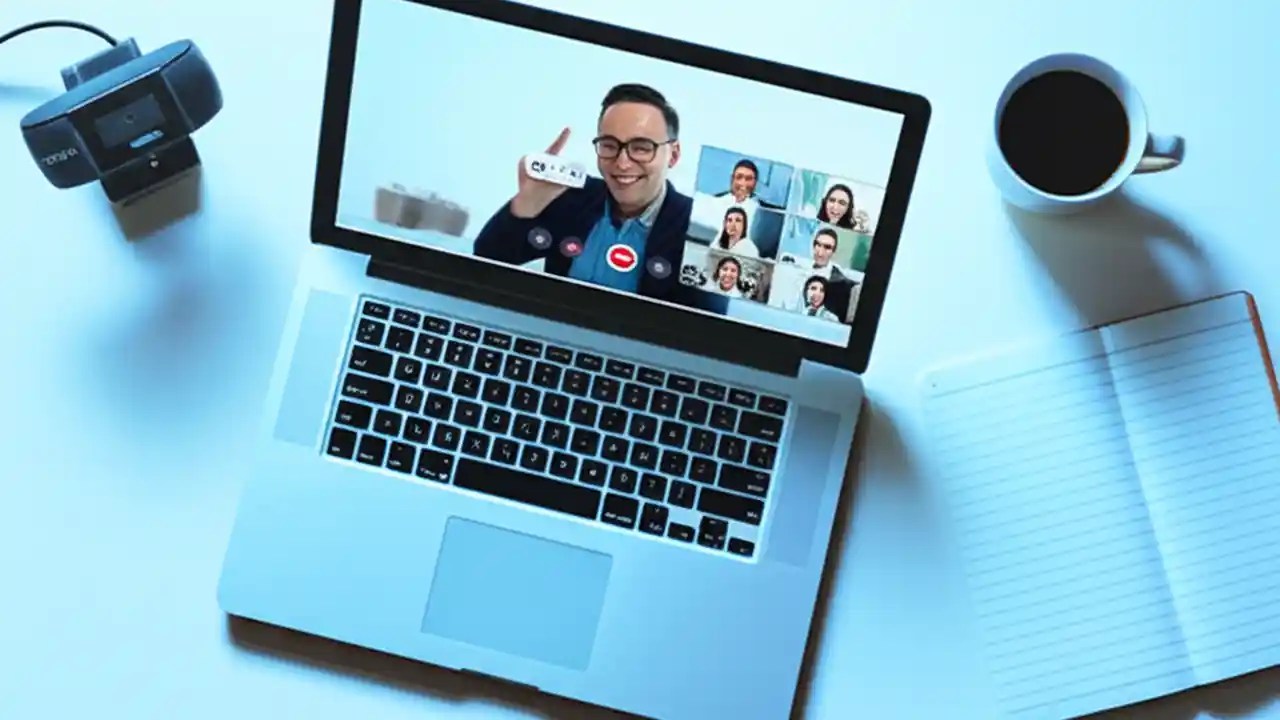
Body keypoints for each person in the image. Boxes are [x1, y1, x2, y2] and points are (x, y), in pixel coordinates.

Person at [472, 83, 693, 301]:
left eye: (642, 148)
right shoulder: (571, 195)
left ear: (673, 155)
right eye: (609, 145)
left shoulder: (701, 231)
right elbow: (485, 262)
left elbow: (706, 323)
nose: (623, 163)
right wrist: (526, 204)